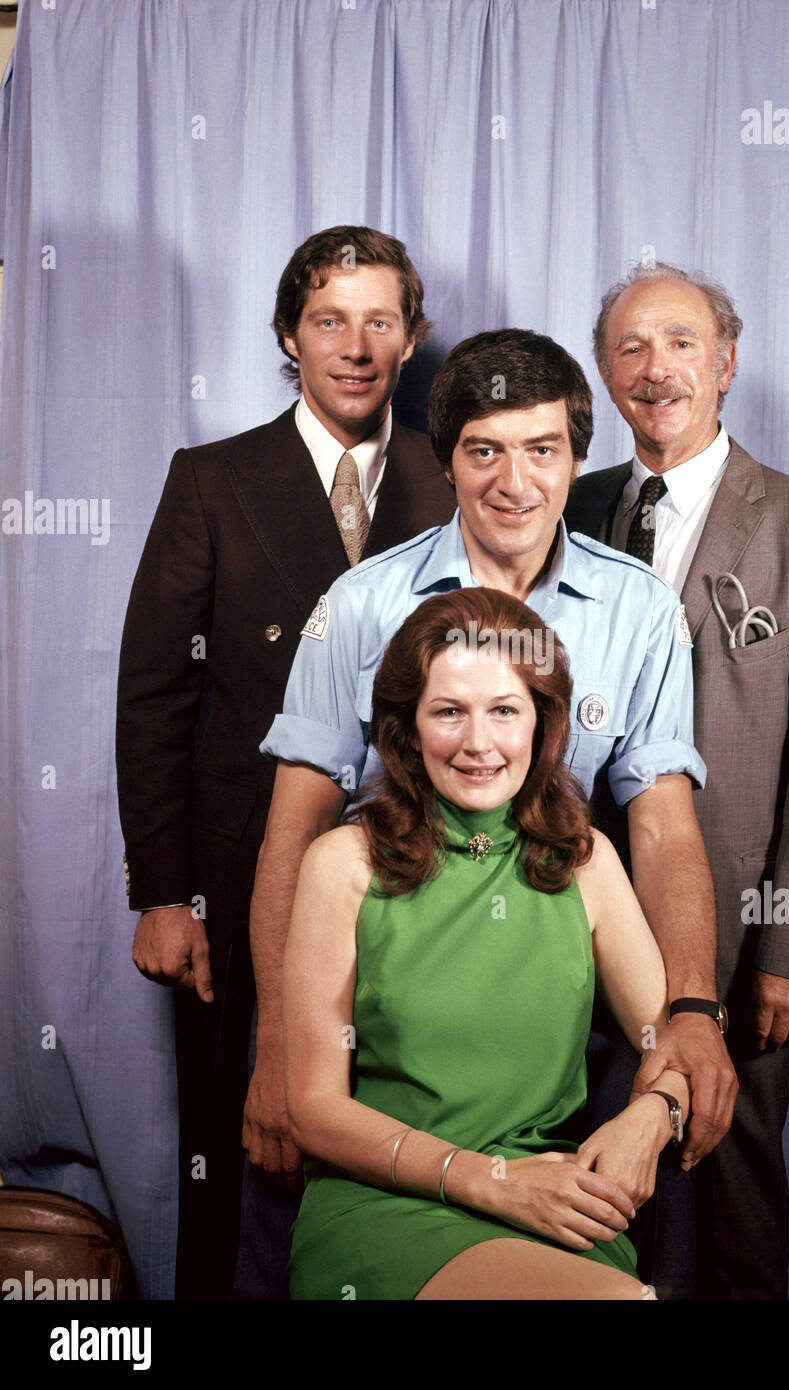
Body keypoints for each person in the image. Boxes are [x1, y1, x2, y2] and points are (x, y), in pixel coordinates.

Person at [249, 329, 738, 1294]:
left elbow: (667, 826)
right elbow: (293, 830)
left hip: (545, 991)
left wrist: (686, 1021)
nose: (515, 481)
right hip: (384, 1003)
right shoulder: (357, 604)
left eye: (542, 450)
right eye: (484, 451)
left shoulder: (639, 612)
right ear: (445, 461)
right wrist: (283, 1053)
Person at [115, 225, 456, 1299]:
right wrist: (165, 893)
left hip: (423, 876)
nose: (354, 346)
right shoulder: (210, 480)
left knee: (397, 1142)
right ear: (287, 337)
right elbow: (155, 697)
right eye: (327, 320)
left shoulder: (459, 481)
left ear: (411, 340)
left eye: (378, 321)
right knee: (242, 1143)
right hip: (234, 880)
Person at [565, 262, 789, 1298]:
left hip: (740, 931)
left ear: (727, 363)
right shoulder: (566, 503)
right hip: (576, 908)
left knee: (729, 1176)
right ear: (606, 374)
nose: (657, 370)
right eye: (631, 348)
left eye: (682, 344)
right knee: (593, 1170)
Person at [283, 587, 690, 1299]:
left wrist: (654, 1116)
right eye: (449, 712)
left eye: (505, 710)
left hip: (553, 1203)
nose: (479, 743)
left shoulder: (587, 862)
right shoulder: (344, 864)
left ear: (543, 722)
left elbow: (677, 1046)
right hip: (386, 1205)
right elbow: (313, 1110)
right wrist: (490, 1184)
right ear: (408, 728)